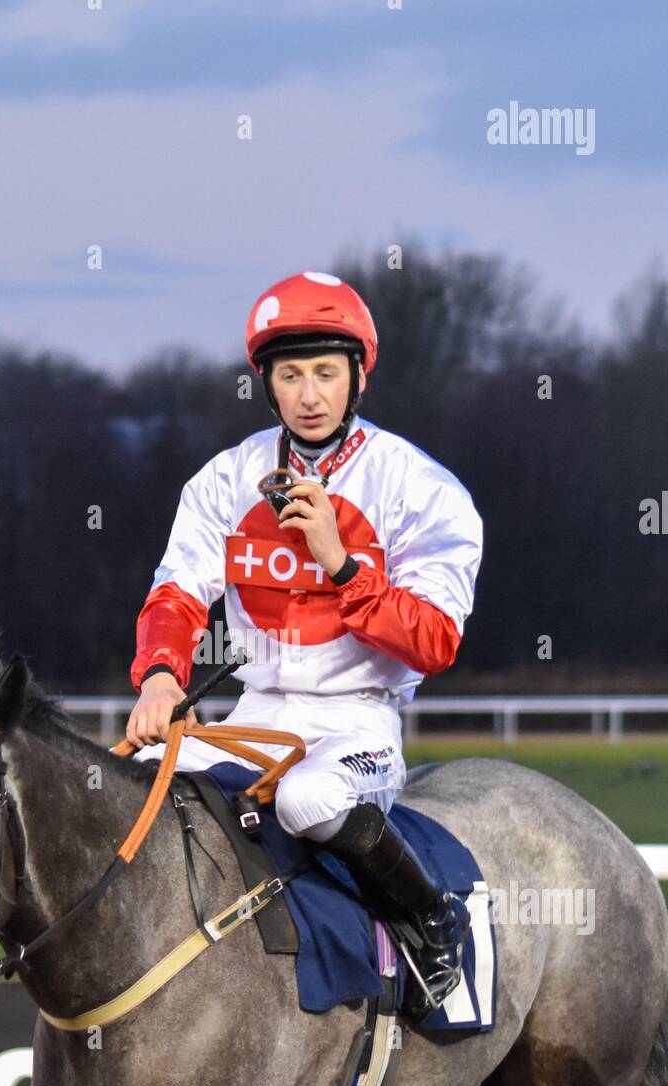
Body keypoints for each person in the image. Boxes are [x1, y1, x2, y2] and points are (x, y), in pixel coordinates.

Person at [124, 270, 483, 1021]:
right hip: (256, 713)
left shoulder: (419, 488)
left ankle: (430, 920)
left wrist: (340, 564)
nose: (309, 394)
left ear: (357, 377)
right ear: (267, 384)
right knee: (129, 786)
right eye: (290, 375)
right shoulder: (226, 479)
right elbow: (176, 594)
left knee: (309, 798)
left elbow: (434, 641)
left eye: (325, 372)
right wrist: (161, 677)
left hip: (356, 722)